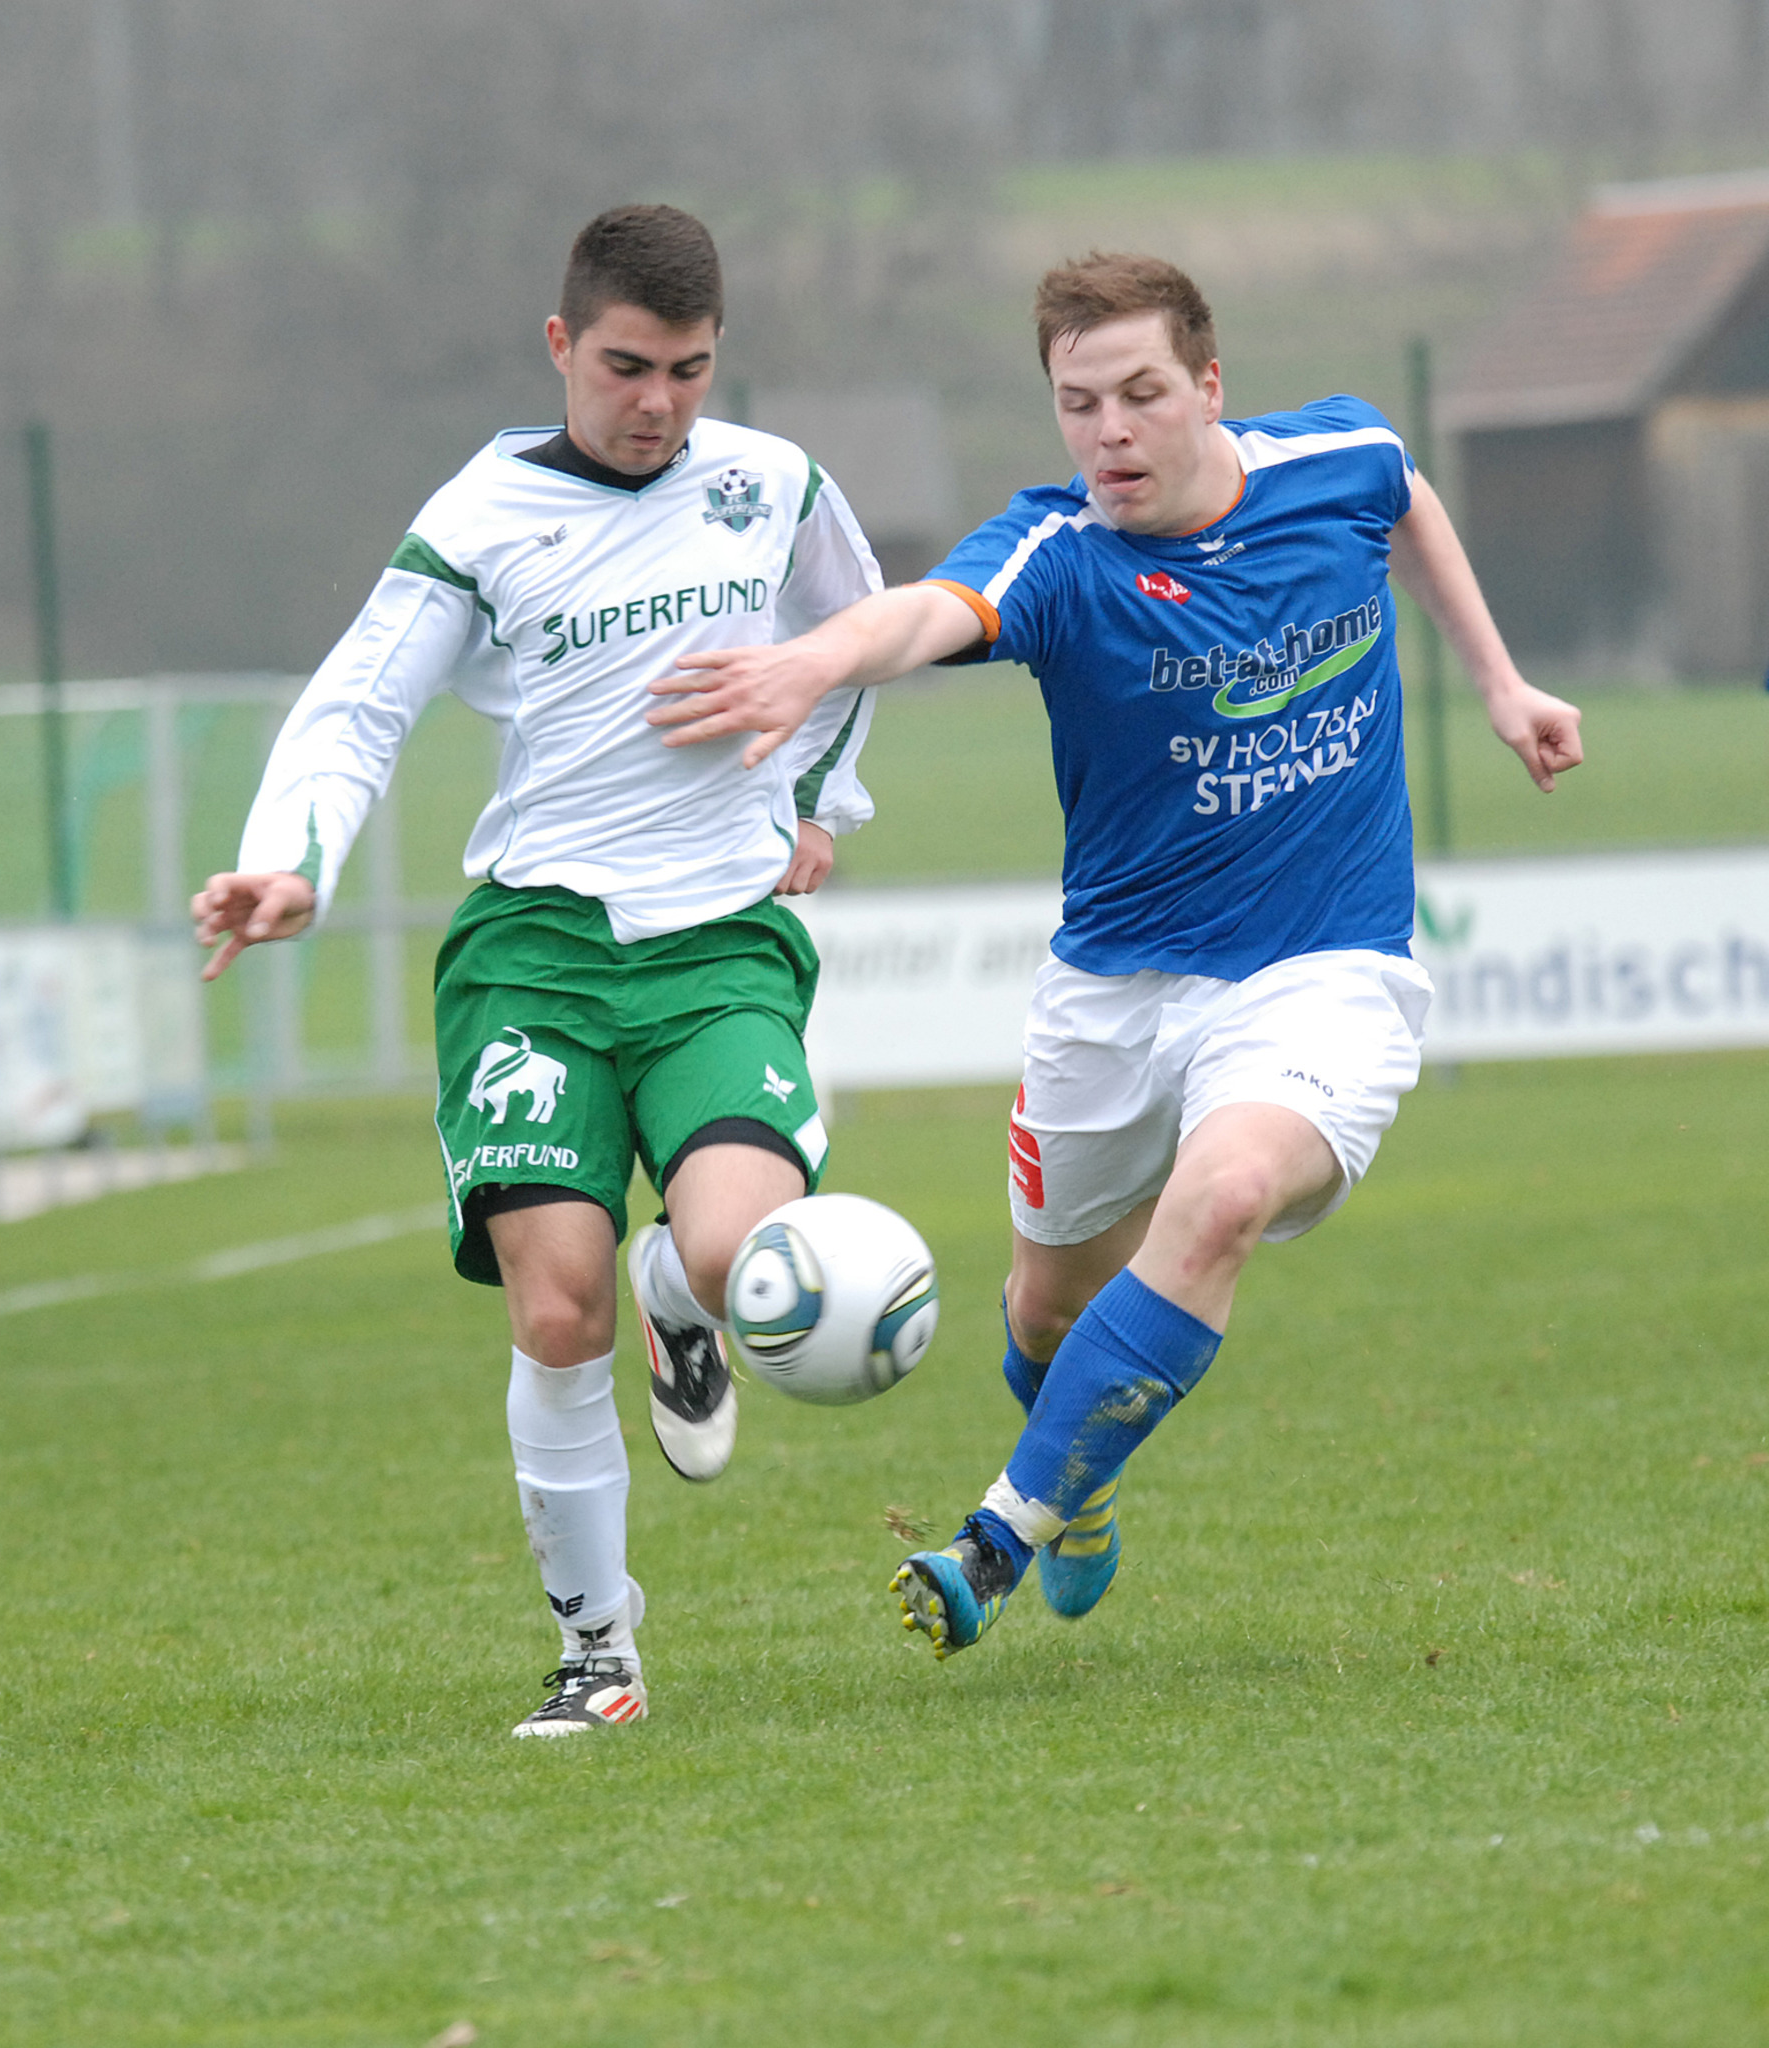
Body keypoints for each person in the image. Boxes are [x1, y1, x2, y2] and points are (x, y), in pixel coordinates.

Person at [650, 251, 1584, 1659]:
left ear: (1210, 387)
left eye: (1142, 395)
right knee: (1043, 1310)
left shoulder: (1334, 455)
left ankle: (1000, 1537)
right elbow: (926, 611)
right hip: (1112, 994)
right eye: (1078, 405)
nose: (1110, 433)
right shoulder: (1063, 556)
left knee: (1220, 1201)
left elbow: (1408, 494)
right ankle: (1078, 1492)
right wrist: (815, 662)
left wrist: (1501, 682)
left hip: (1320, 973)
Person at [192, 205, 881, 1733]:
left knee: (740, 1268)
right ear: (563, 346)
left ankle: (677, 1293)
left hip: (716, 948)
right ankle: (598, 1651)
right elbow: (358, 706)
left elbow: (857, 632)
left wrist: (819, 799)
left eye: (691, 371)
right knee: (553, 1310)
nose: (660, 405)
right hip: (535, 954)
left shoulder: (772, 485)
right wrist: (290, 856)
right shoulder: (482, 514)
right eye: (629, 367)